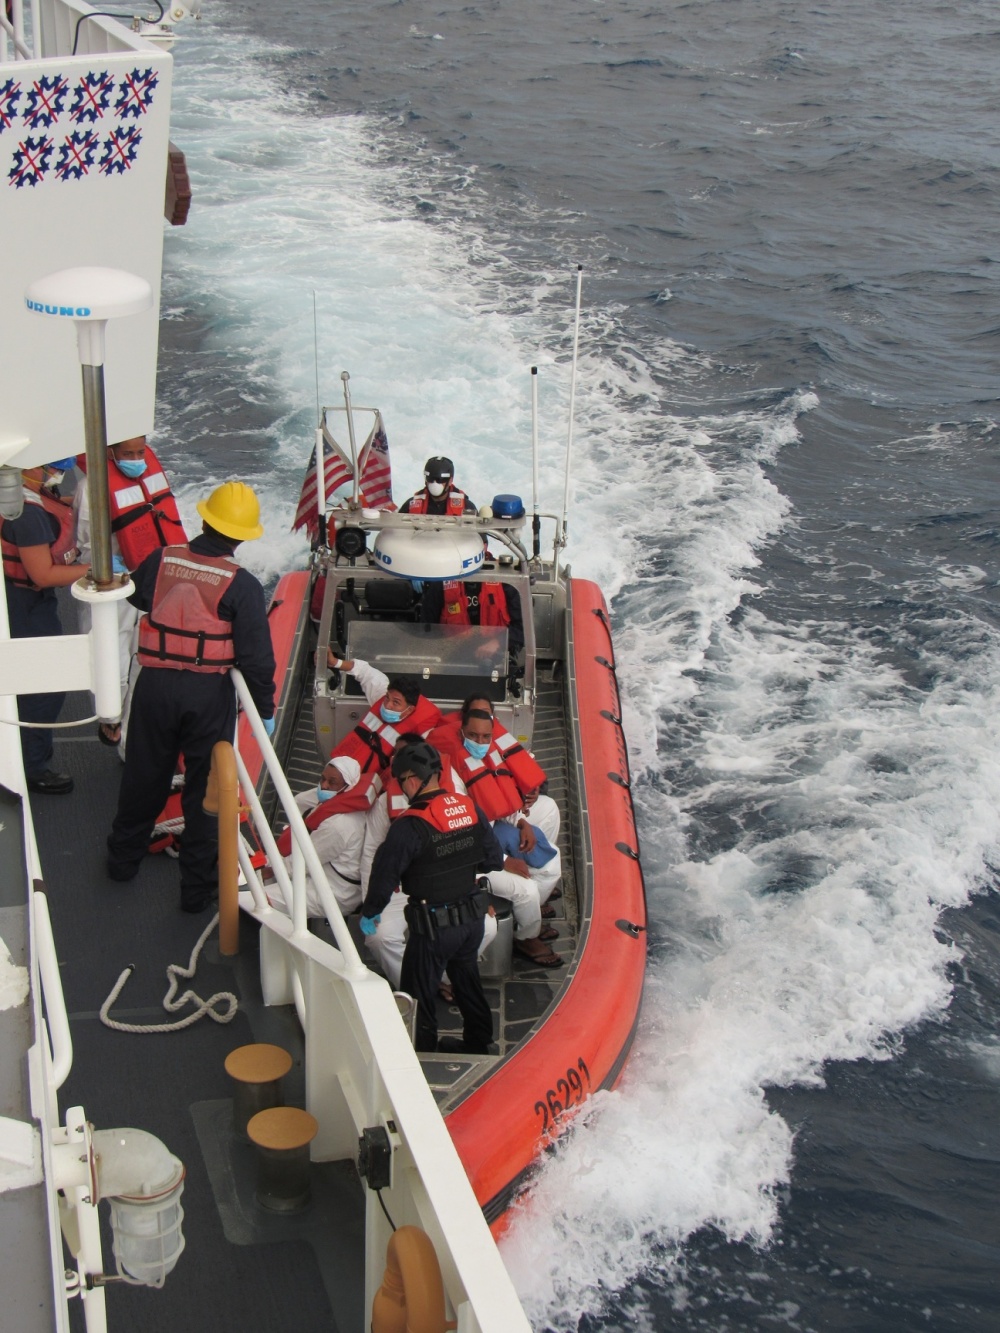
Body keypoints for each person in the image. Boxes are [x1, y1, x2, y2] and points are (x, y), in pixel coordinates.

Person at [106, 481, 276, 912]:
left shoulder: (160, 559)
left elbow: (142, 599)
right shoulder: (244, 586)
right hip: (208, 694)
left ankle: (121, 862)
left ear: (203, 519)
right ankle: (195, 892)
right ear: (241, 537)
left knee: (144, 775)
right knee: (206, 795)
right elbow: (256, 660)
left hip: (155, 686)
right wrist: (264, 709)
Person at [359, 741, 497, 1053]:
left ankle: (422, 1053)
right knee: (467, 981)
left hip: (434, 927)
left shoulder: (410, 825)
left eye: (400, 780)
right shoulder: (468, 807)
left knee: (417, 994)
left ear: (411, 778)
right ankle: (479, 1043)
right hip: (471, 921)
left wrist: (371, 912)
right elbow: (493, 859)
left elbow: (385, 874)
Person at [75, 434, 186, 751]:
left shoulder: (147, 475)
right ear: (109, 452)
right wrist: (108, 563)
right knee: (112, 657)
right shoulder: (91, 488)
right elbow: (86, 540)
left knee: (143, 657)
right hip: (112, 585)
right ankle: (110, 719)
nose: (136, 458)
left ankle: (132, 739)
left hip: (150, 578)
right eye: (128, 453)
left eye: (140, 451)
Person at [1, 463, 89, 794]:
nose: (54, 467)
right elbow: (43, 575)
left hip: (21, 600)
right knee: (44, 689)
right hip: (26, 607)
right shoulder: (27, 515)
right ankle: (32, 768)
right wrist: (98, 570)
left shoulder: (23, 496)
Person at [269, 755, 370, 917]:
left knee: (260, 898)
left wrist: (268, 870)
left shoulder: (339, 826)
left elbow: (304, 862)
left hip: (335, 893)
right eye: (322, 779)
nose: (324, 786)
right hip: (324, 872)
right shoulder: (339, 803)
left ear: (347, 786)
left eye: (332, 782)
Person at [324, 651, 443, 781]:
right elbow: (365, 672)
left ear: (409, 710)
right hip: (336, 771)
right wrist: (336, 662)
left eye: (396, 703)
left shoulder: (423, 735)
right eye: (387, 698)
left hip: (366, 784)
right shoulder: (382, 695)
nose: (387, 705)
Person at [399, 456, 477, 516]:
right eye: (431, 479)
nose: (434, 483)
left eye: (440, 480)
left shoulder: (467, 507)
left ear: (450, 481)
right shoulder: (410, 505)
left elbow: (479, 535)